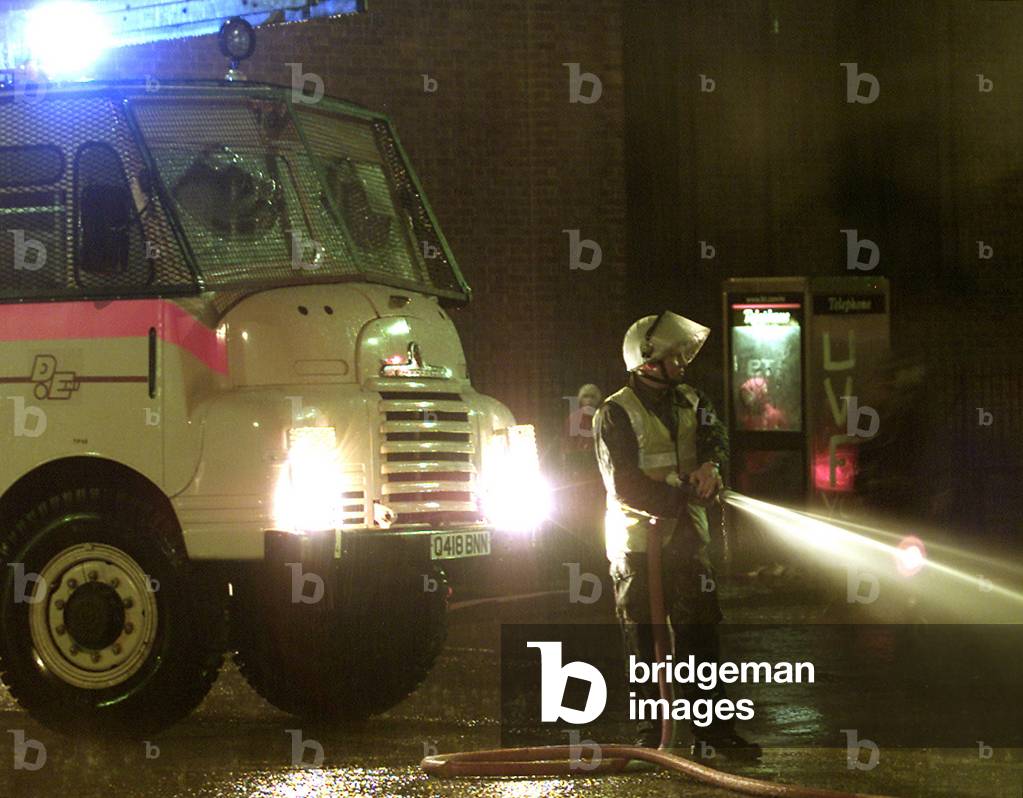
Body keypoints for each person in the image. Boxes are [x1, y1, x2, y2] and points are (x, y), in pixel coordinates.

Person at [593, 310, 761, 759]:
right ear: (648, 360)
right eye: (674, 356)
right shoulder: (615, 412)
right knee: (645, 640)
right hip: (636, 543)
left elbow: (715, 440)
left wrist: (712, 467)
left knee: (701, 633)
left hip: (687, 538)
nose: (682, 363)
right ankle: (653, 733)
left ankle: (712, 728)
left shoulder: (692, 399)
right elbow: (623, 483)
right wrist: (682, 499)